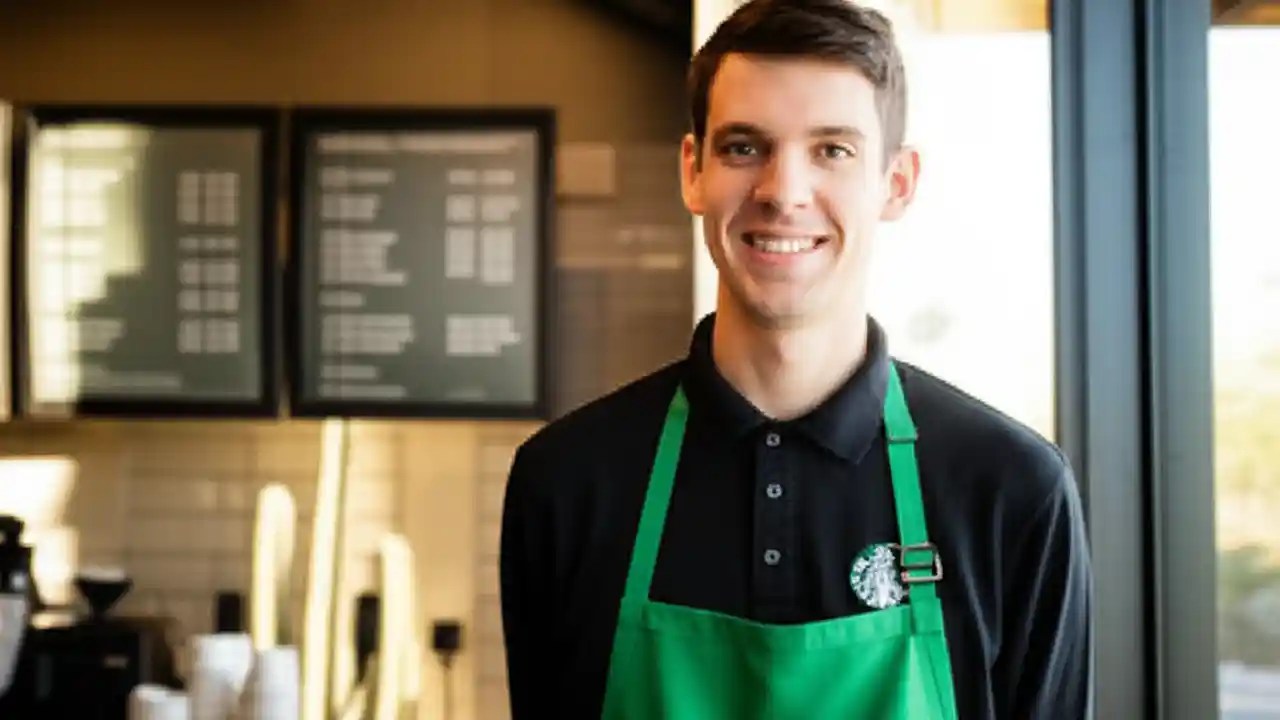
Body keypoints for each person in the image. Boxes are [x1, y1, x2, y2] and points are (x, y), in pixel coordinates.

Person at [499, 0, 1093, 717]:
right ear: (693, 171)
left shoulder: (1011, 490)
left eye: (833, 150)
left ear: (895, 183)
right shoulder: (566, 482)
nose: (783, 192)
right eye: (745, 147)